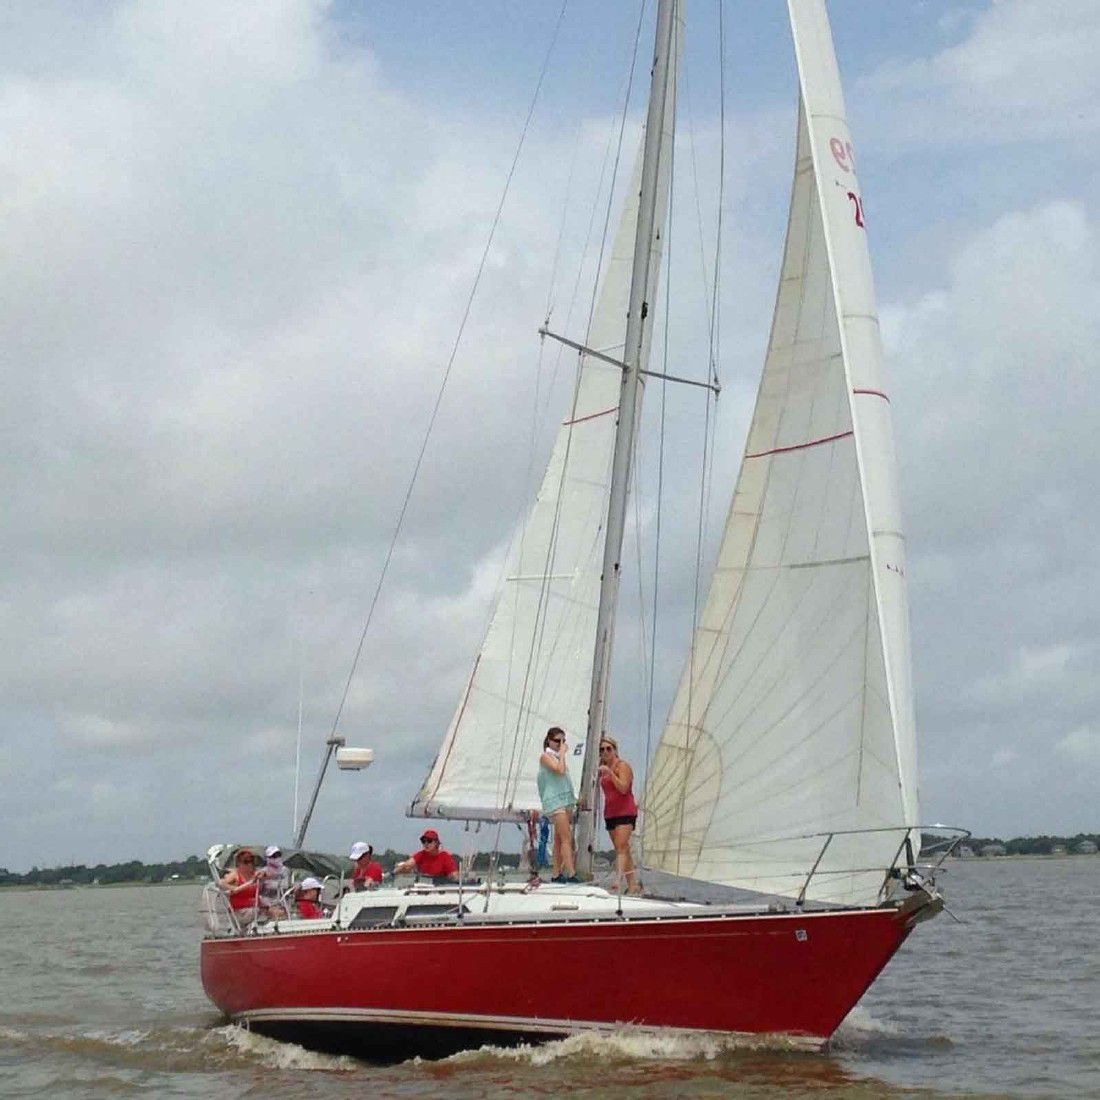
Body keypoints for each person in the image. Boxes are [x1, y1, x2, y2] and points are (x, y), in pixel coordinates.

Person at [598, 736, 640, 894]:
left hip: (625, 812)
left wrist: (611, 773)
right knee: (623, 849)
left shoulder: (622, 766)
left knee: (621, 847)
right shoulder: (601, 768)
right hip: (610, 813)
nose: (605, 752)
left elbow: (623, 788)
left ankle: (617, 880)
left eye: (609, 748)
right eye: (602, 749)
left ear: (615, 750)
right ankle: (633, 885)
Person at [537, 726, 577, 883]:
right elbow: (559, 771)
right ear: (549, 740)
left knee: (560, 839)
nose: (560, 743)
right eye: (557, 741)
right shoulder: (546, 757)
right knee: (567, 838)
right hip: (555, 803)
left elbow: (563, 778)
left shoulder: (559, 758)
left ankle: (555, 873)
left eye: (563, 741)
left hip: (565, 801)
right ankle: (571, 873)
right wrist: (562, 753)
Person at [394, 829, 459, 881]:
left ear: (436, 843)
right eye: (423, 841)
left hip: (439, 889)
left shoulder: (445, 856)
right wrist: (395, 872)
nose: (426, 843)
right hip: (423, 888)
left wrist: (453, 877)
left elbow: (454, 875)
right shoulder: (421, 854)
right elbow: (407, 864)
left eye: (429, 841)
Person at [219, 848, 260, 925]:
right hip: (239, 912)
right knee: (260, 910)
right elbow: (221, 883)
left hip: (255, 907)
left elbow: (266, 874)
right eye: (246, 861)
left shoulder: (255, 874)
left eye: (251, 861)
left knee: (274, 909)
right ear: (239, 863)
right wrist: (235, 889)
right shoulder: (235, 875)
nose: (249, 864)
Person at [258, 845, 289, 918]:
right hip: (267, 904)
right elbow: (259, 890)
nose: (277, 858)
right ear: (268, 858)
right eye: (273, 856)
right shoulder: (263, 871)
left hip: (282, 903)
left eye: (278, 855)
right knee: (277, 914)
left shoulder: (285, 870)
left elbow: (286, 886)